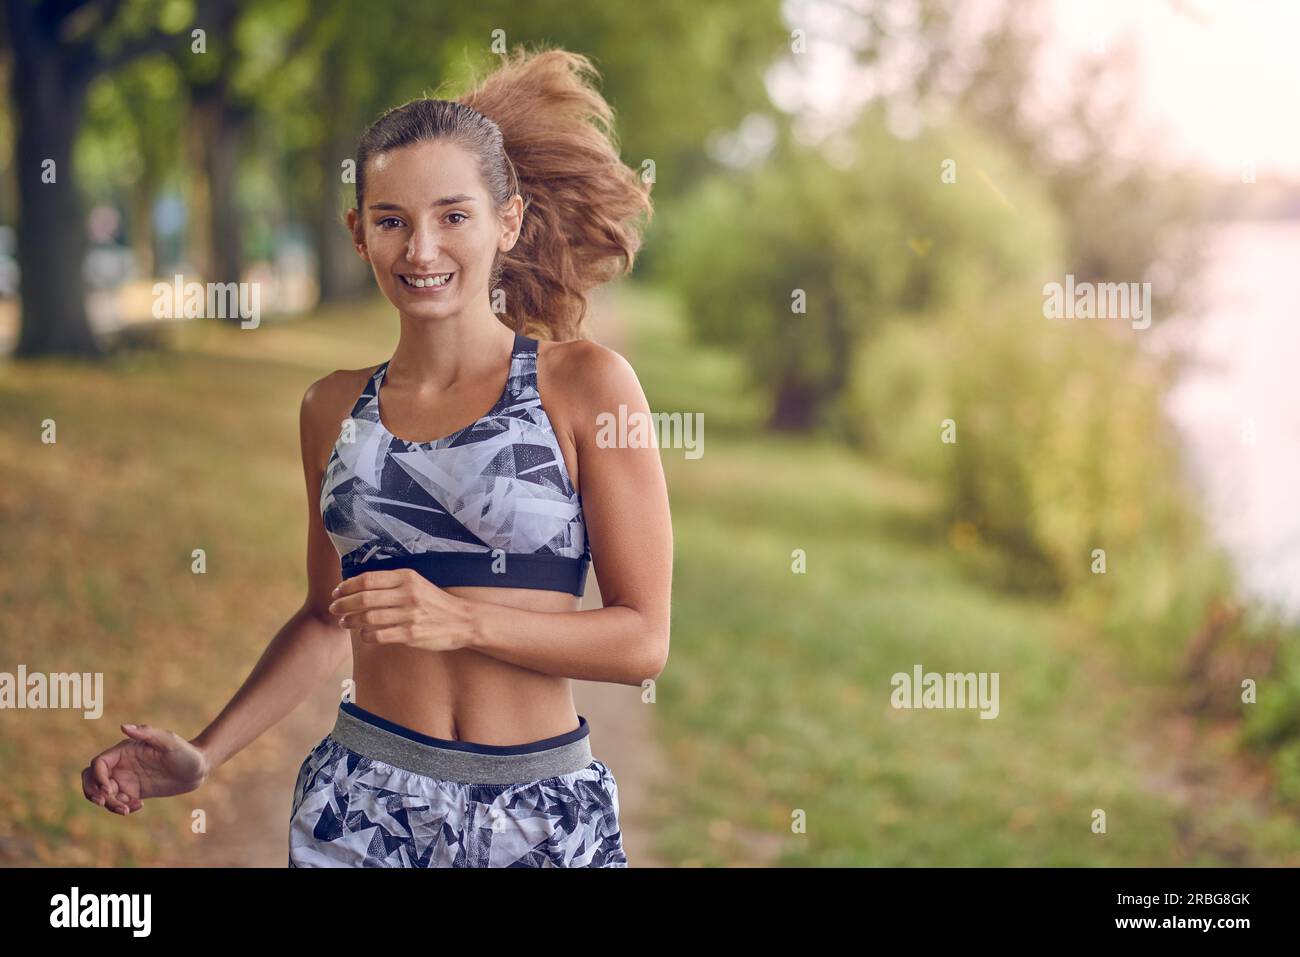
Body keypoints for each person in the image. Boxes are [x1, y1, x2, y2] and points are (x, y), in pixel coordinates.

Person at [80, 45, 673, 868]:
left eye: (453, 216)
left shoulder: (587, 386)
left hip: (540, 813)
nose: (421, 250)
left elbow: (642, 640)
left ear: (508, 221)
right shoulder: (331, 408)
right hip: (363, 808)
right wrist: (205, 753)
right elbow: (327, 616)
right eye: (392, 220)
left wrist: (461, 619)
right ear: (358, 234)